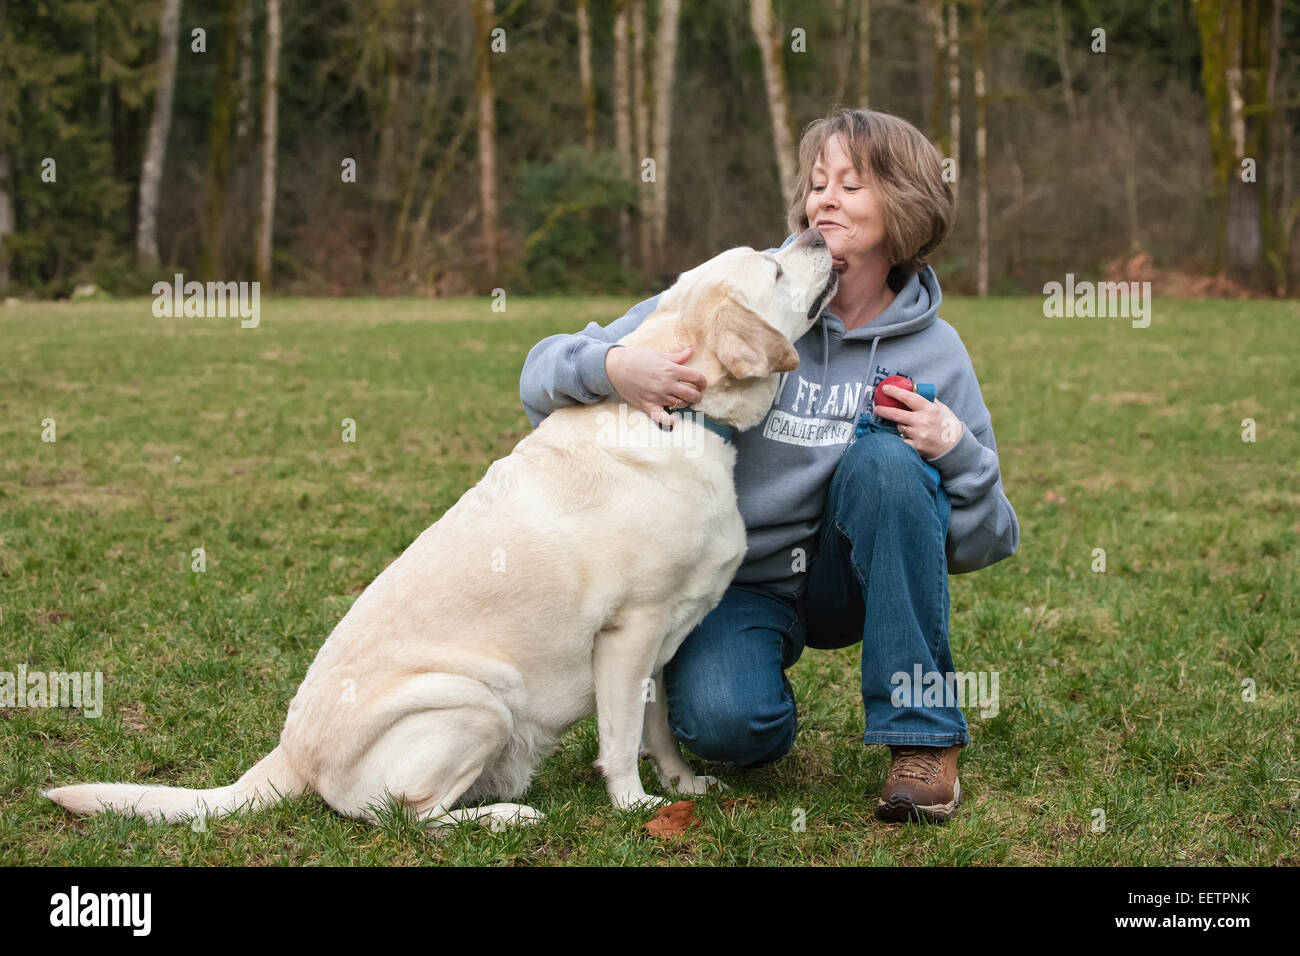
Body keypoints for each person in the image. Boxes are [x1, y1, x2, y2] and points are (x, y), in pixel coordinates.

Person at [519, 107, 1018, 823]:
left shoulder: (935, 350)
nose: (825, 201)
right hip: (736, 581)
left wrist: (957, 452)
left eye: (851, 184)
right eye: (818, 183)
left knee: (887, 464)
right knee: (731, 726)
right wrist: (613, 364)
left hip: (844, 575)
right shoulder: (738, 294)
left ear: (905, 200)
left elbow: (985, 542)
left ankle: (923, 740)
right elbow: (539, 375)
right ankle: (749, 689)